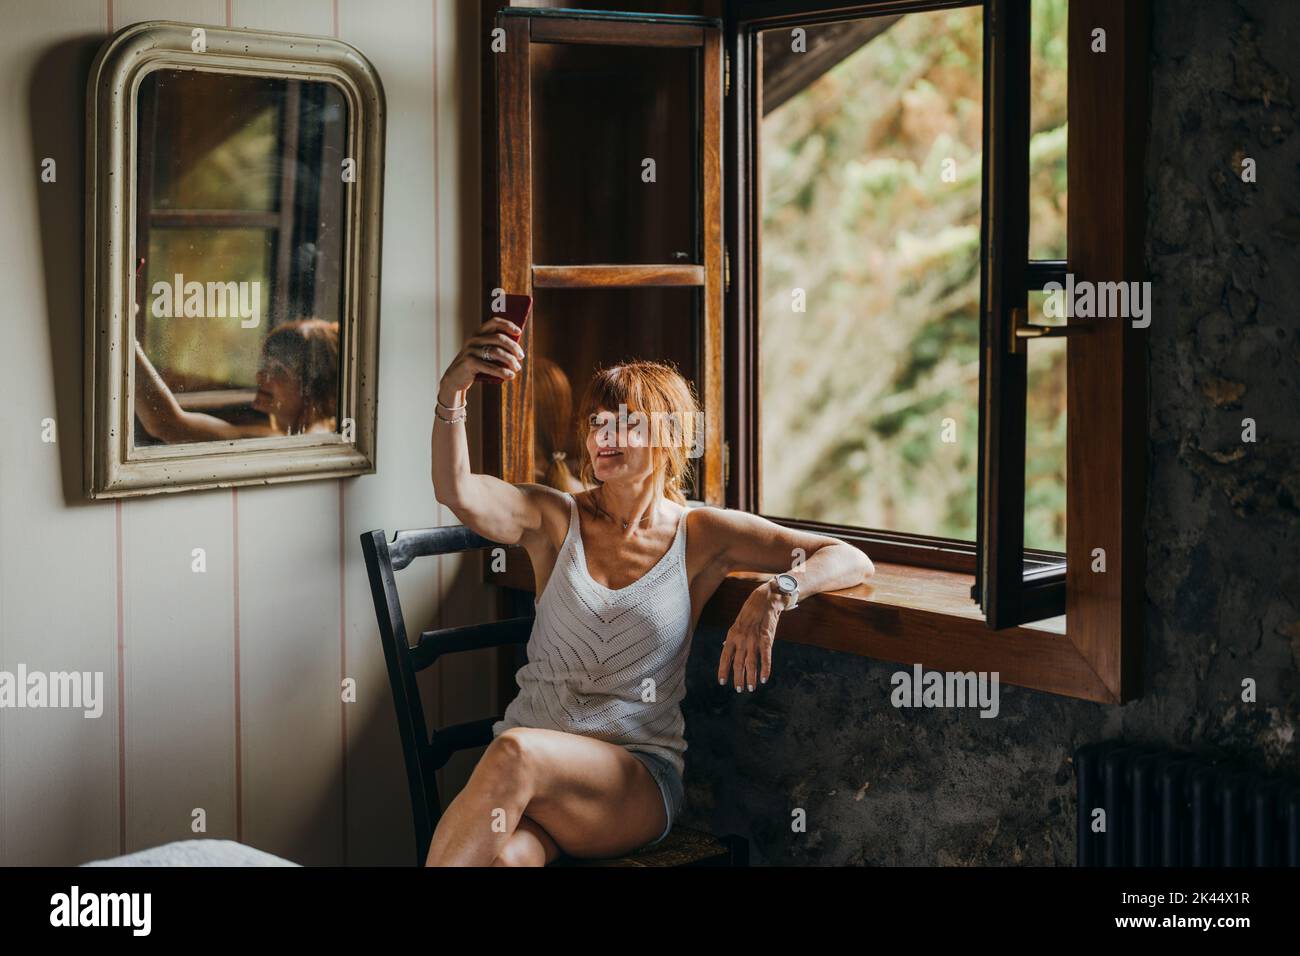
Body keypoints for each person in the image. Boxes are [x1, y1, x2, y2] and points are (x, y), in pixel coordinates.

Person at [426, 314, 875, 866]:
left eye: (626, 422)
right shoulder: (554, 518)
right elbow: (458, 490)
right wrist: (454, 390)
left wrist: (777, 592)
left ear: (671, 438)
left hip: (631, 780)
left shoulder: (702, 534)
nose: (604, 436)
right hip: (531, 785)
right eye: (597, 421)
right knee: (505, 859)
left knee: (514, 752)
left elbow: (850, 557)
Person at [134, 317, 340, 443]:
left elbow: (167, 425)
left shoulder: (295, 441)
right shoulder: (299, 435)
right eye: (265, 365)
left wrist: (125, 337)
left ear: (314, 388)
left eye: (279, 370)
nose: (260, 376)